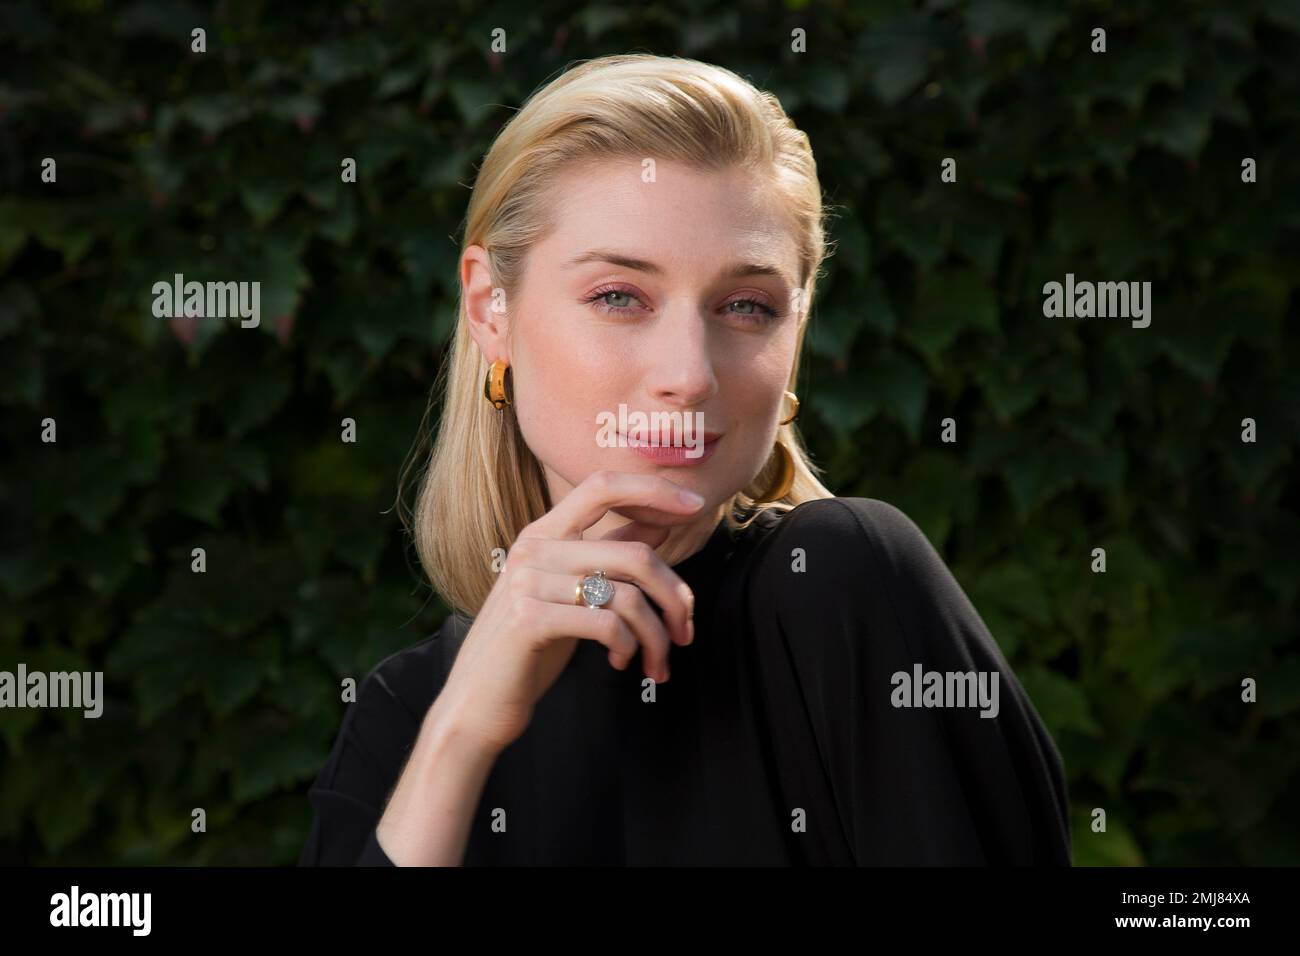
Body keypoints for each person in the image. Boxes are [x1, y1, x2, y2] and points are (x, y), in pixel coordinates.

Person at [298, 53, 1072, 866]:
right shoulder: (404, 711)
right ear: (491, 308)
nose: (690, 374)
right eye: (619, 297)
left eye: (746, 306)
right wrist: (459, 736)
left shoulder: (841, 584)